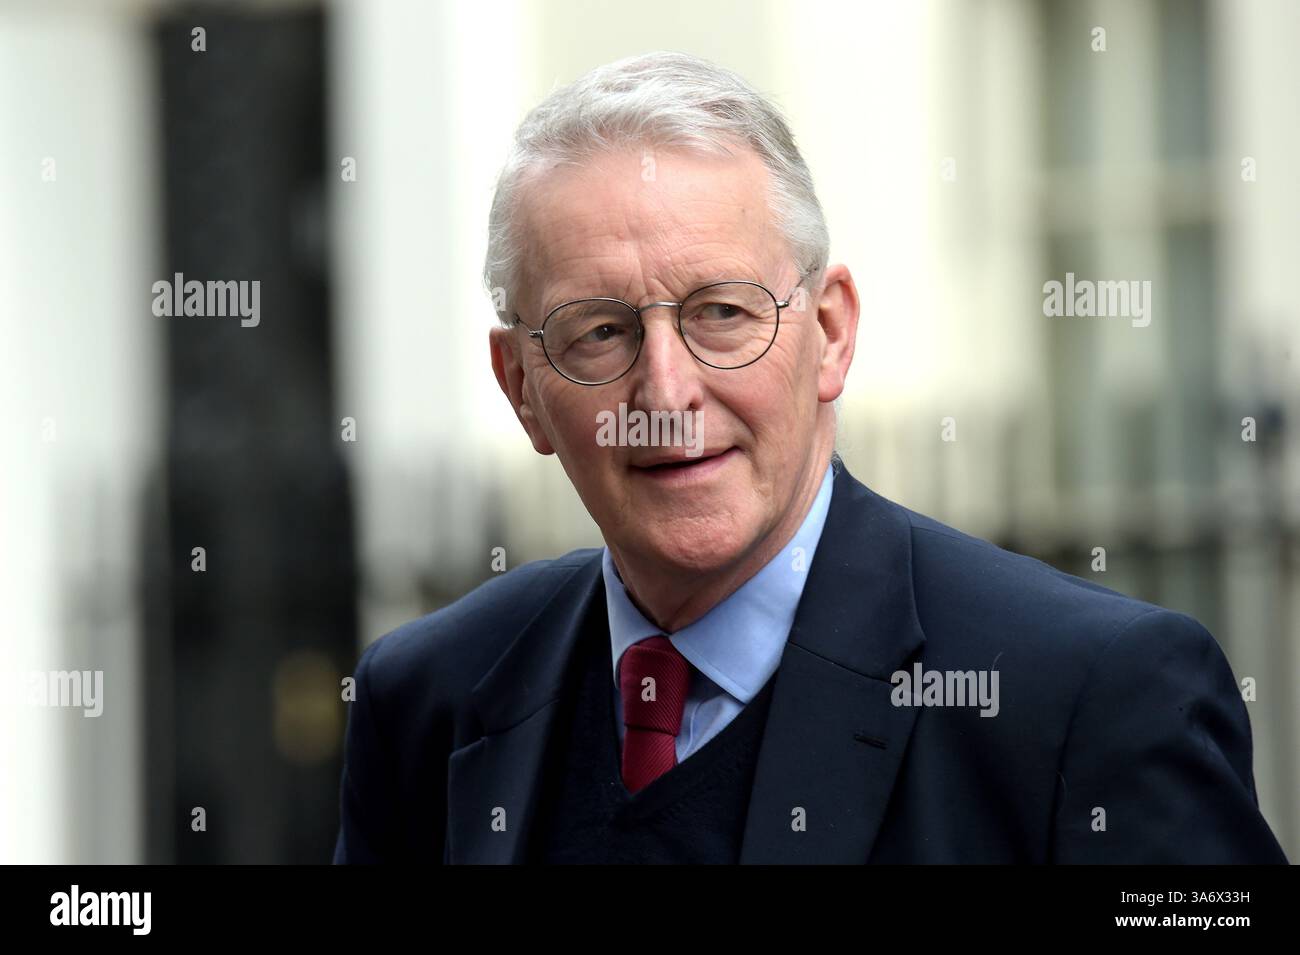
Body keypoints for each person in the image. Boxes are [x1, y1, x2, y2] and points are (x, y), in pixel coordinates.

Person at [332, 51, 1286, 864]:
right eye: (601, 331)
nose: (666, 395)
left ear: (828, 334)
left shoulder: (1088, 700)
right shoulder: (431, 702)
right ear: (521, 385)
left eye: (722, 313)